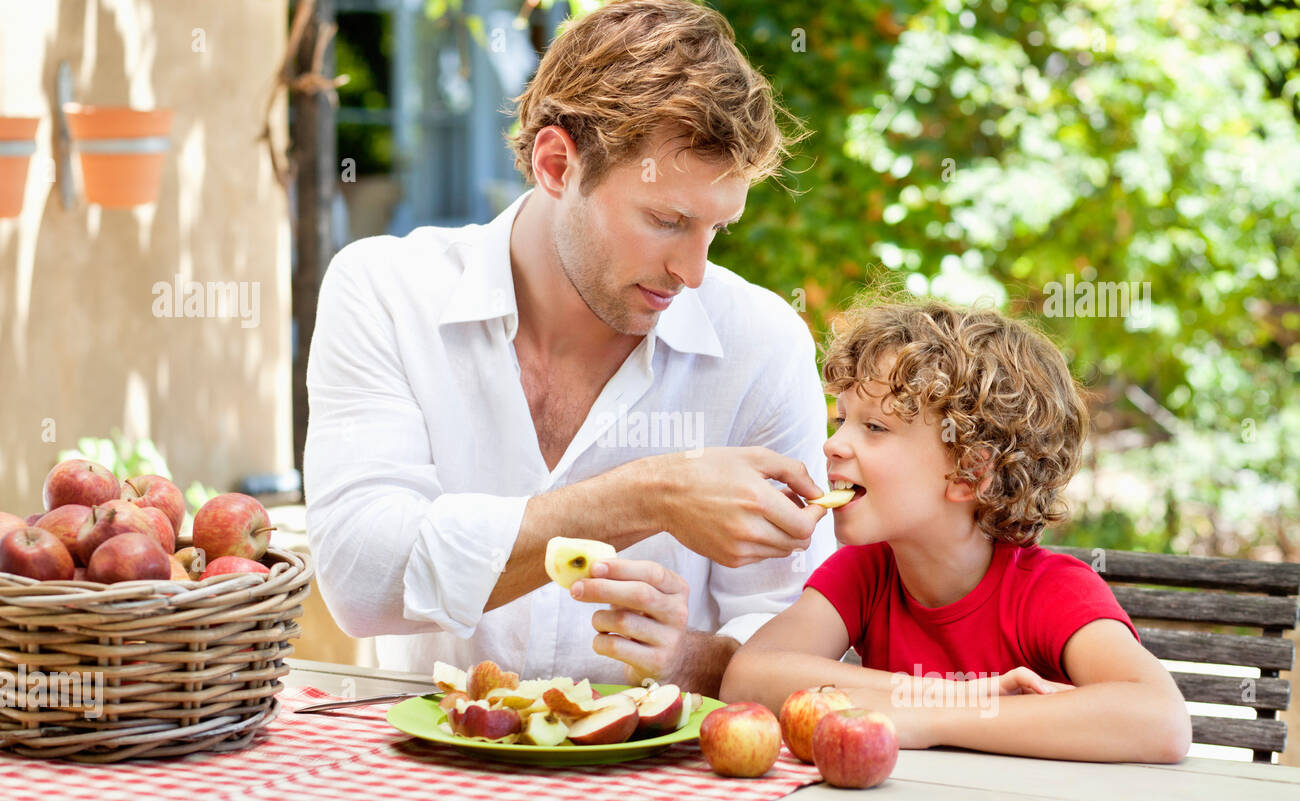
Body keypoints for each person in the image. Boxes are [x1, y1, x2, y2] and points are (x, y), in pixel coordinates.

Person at [303, 0, 835, 697]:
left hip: (673, 793)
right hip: (428, 781)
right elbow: (361, 577)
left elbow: (801, 645)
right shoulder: (385, 293)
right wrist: (648, 497)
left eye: (716, 229)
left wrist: (685, 659)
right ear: (557, 164)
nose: (693, 271)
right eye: (666, 220)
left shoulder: (760, 345)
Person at [720, 296, 1193, 762]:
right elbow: (750, 678)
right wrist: (945, 697)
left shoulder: (1049, 591)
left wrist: (930, 720)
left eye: (876, 428)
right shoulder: (865, 573)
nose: (833, 445)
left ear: (969, 474)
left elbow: (1160, 718)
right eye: (842, 420)